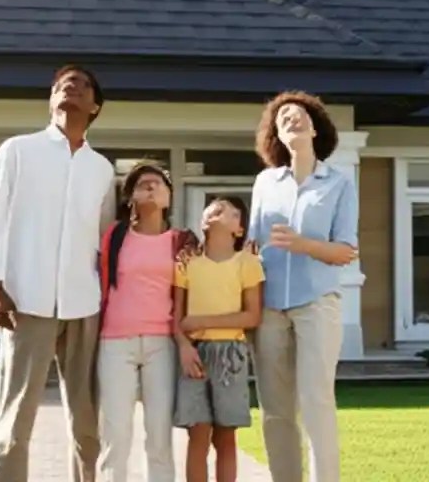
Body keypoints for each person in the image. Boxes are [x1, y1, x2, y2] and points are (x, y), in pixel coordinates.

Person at [0, 64, 116, 482]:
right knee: (15, 419)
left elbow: (102, 239)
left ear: (95, 107)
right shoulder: (18, 150)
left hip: (83, 303)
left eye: (81, 85)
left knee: (88, 423)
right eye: (61, 85)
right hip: (25, 298)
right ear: (52, 99)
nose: (70, 88)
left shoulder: (102, 169)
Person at [249, 91, 358, 482]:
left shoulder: (339, 184)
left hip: (317, 305)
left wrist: (302, 244)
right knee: (275, 409)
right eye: (282, 119)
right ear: (275, 134)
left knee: (316, 403)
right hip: (270, 309)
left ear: (314, 127)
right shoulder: (265, 183)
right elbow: (252, 247)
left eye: (298, 115)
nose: (290, 119)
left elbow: (346, 252)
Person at [95, 162, 194, 482]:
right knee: (115, 434)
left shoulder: (181, 242)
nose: (151, 188)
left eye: (158, 184)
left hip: (161, 344)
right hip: (115, 343)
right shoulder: (115, 236)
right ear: (130, 199)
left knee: (159, 437)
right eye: (143, 185)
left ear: (169, 197)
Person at [173, 196, 264, 482]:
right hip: (195, 355)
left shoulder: (247, 263)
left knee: (225, 437)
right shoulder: (186, 263)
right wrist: (184, 346)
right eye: (213, 207)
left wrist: (201, 322)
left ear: (239, 229)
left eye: (229, 211)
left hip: (231, 356)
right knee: (197, 434)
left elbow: (252, 317)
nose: (217, 210)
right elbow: (176, 318)